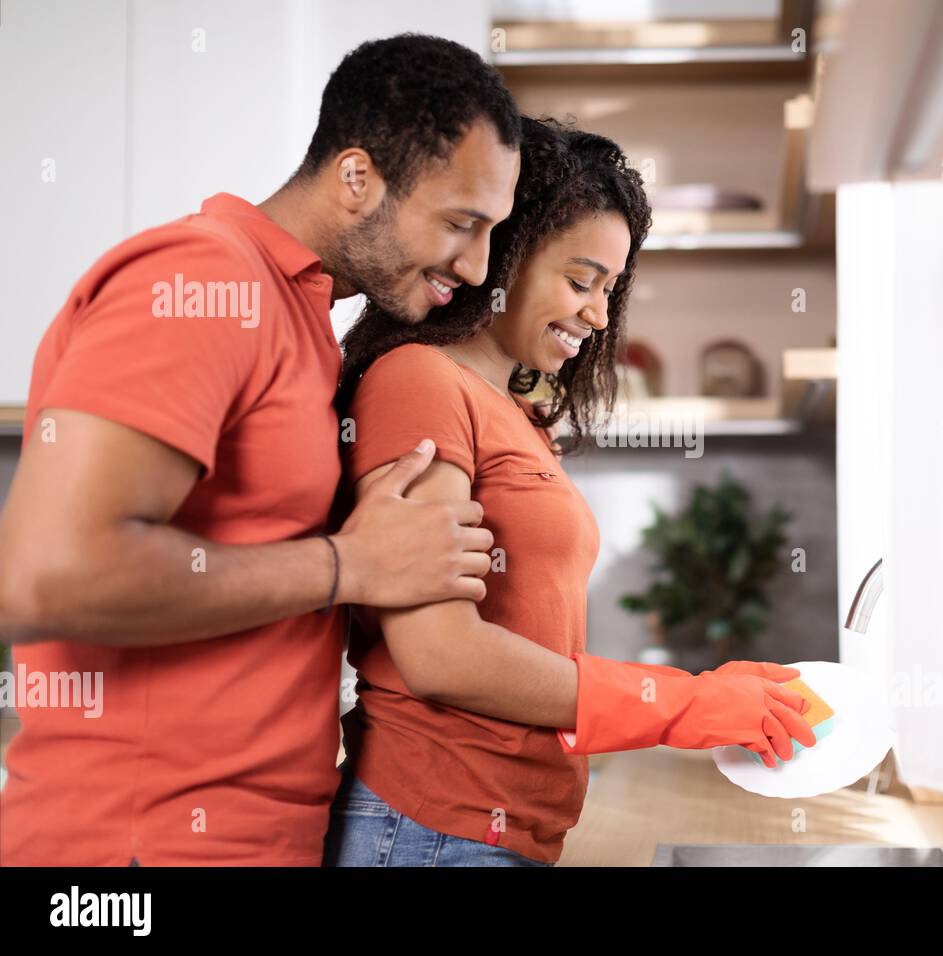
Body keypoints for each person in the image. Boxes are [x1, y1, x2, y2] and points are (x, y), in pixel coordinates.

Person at [0, 34, 520, 866]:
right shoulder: (205, 280)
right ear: (358, 178)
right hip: (137, 852)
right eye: (461, 223)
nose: (477, 262)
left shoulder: (299, 318)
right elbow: (45, 576)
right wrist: (349, 567)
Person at [324, 117, 816, 867]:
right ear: (504, 253)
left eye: (609, 291)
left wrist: (710, 693)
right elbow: (438, 653)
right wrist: (682, 703)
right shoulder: (419, 381)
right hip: (430, 827)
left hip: (490, 831)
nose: (596, 315)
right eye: (581, 280)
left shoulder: (516, 414)